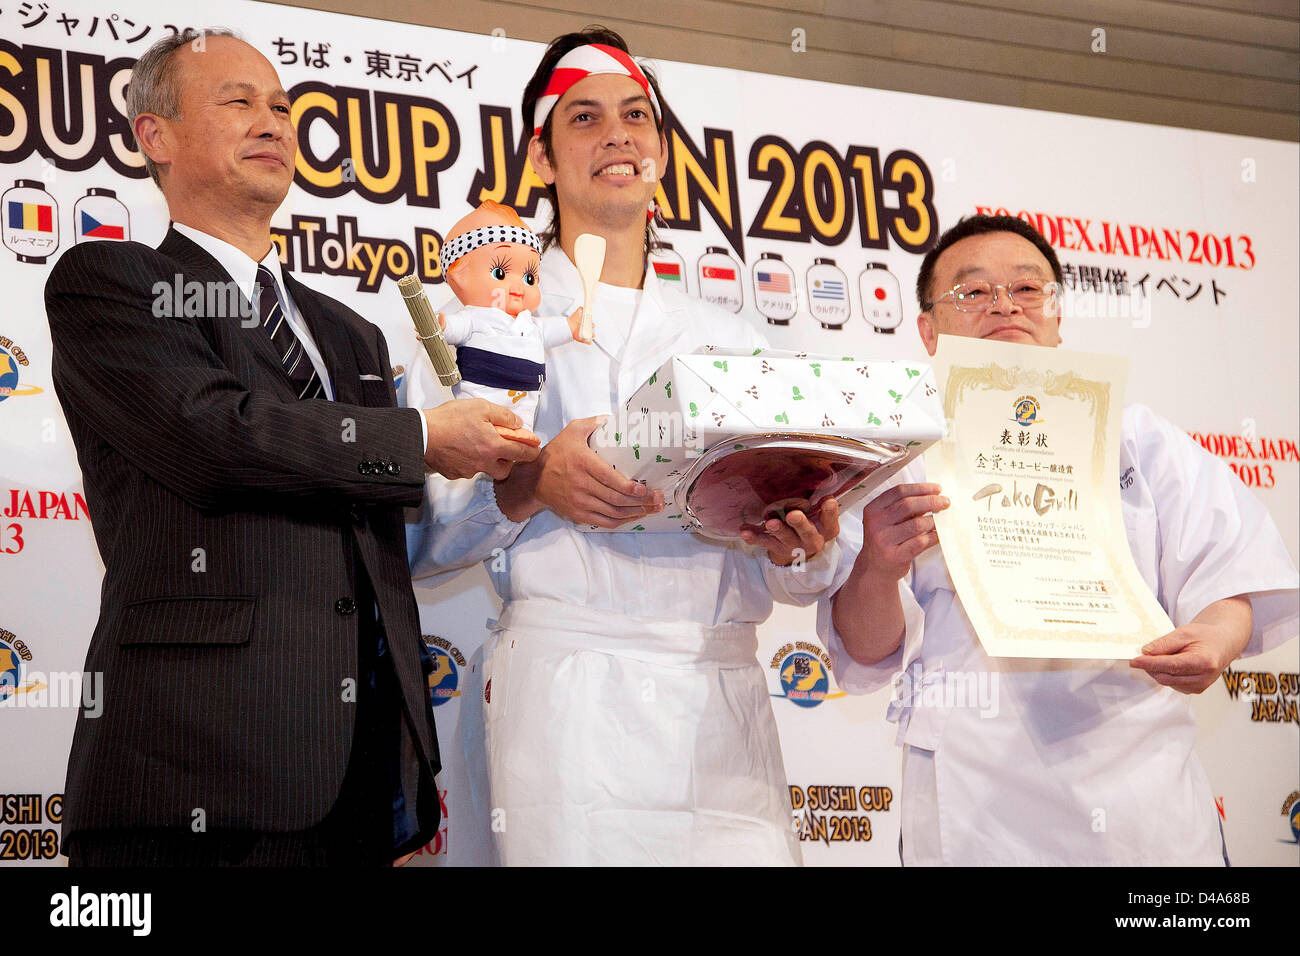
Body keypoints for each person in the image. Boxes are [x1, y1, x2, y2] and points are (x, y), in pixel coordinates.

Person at [44, 29, 537, 866]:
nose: (273, 121)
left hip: (360, 774)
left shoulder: (349, 331)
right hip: (190, 768)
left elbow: (387, 528)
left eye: (281, 105)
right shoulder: (115, 283)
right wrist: (419, 436)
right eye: (239, 101)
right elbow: (213, 435)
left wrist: (521, 485)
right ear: (153, 137)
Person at [405, 28, 841, 866]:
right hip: (569, 702)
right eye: (585, 118)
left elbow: (817, 566)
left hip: (725, 710)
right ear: (540, 156)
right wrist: (528, 484)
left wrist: (801, 544)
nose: (619, 136)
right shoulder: (490, 325)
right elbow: (422, 537)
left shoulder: (737, 340)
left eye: (638, 116)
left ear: (664, 152)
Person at [819, 214, 1299, 865]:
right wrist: (876, 567)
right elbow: (865, 649)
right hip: (974, 804)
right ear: (928, 329)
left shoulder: (1142, 441)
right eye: (973, 291)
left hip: (1139, 795)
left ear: (1056, 316)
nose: (1004, 306)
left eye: (1026, 289)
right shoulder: (898, 457)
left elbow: (1228, 573)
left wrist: (1214, 640)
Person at [436, 200, 586, 432]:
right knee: (480, 416)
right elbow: (458, 326)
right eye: (499, 273)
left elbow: (547, 330)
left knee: (522, 419)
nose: (519, 285)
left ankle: (522, 430)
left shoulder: (529, 322)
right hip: (484, 389)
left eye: (529, 278)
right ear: (461, 277)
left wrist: (571, 327)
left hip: (527, 391)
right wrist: (442, 327)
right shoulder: (476, 317)